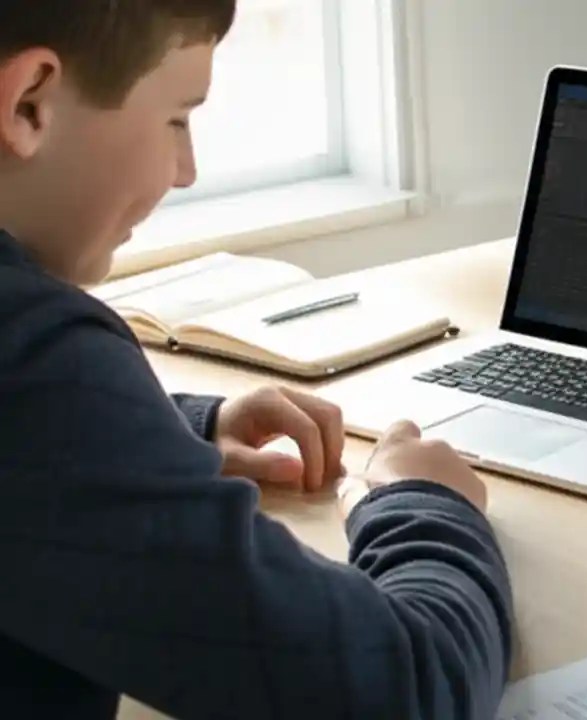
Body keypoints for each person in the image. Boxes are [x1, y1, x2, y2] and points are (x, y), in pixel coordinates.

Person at [0, 1, 514, 718]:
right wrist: (428, 504)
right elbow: (406, 691)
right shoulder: (37, 364)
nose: (186, 170)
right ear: (29, 103)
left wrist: (183, 430)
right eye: (177, 119)